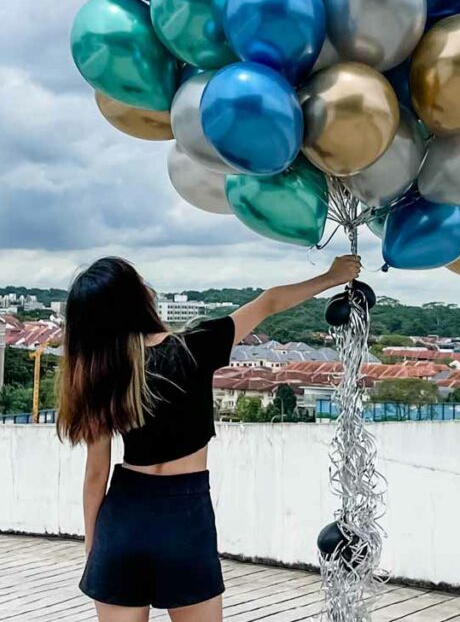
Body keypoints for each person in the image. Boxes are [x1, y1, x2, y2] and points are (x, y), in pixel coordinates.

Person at [56, 253, 363, 622]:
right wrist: (332, 277)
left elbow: (95, 476)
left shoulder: (101, 371)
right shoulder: (195, 346)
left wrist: (94, 546)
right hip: (184, 517)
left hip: (121, 521)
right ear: (140, 296)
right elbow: (268, 302)